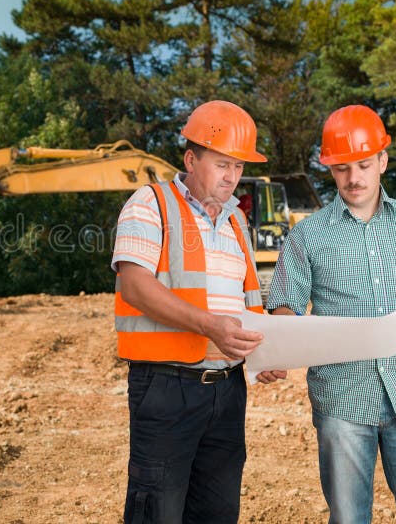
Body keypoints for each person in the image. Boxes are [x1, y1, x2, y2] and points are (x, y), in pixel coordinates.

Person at [260, 105, 396, 524]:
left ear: (382, 161)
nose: (353, 177)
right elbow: (285, 303)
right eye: (341, 168)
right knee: (349, 518)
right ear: (330, 169)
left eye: (363, 164)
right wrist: (280, 346)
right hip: (341, 398)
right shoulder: (308, 234)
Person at [112, 99, 278, 523]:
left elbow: (246, 304)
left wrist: (266, 356)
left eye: (238, 167)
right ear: (191, 158)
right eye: (223, 164)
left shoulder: (237, 222)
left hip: (227, 391)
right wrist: (208, 326)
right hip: (167, 387)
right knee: (158, 512)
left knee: (217, 512)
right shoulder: (150, 204)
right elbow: (134, 284)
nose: (232, 177)